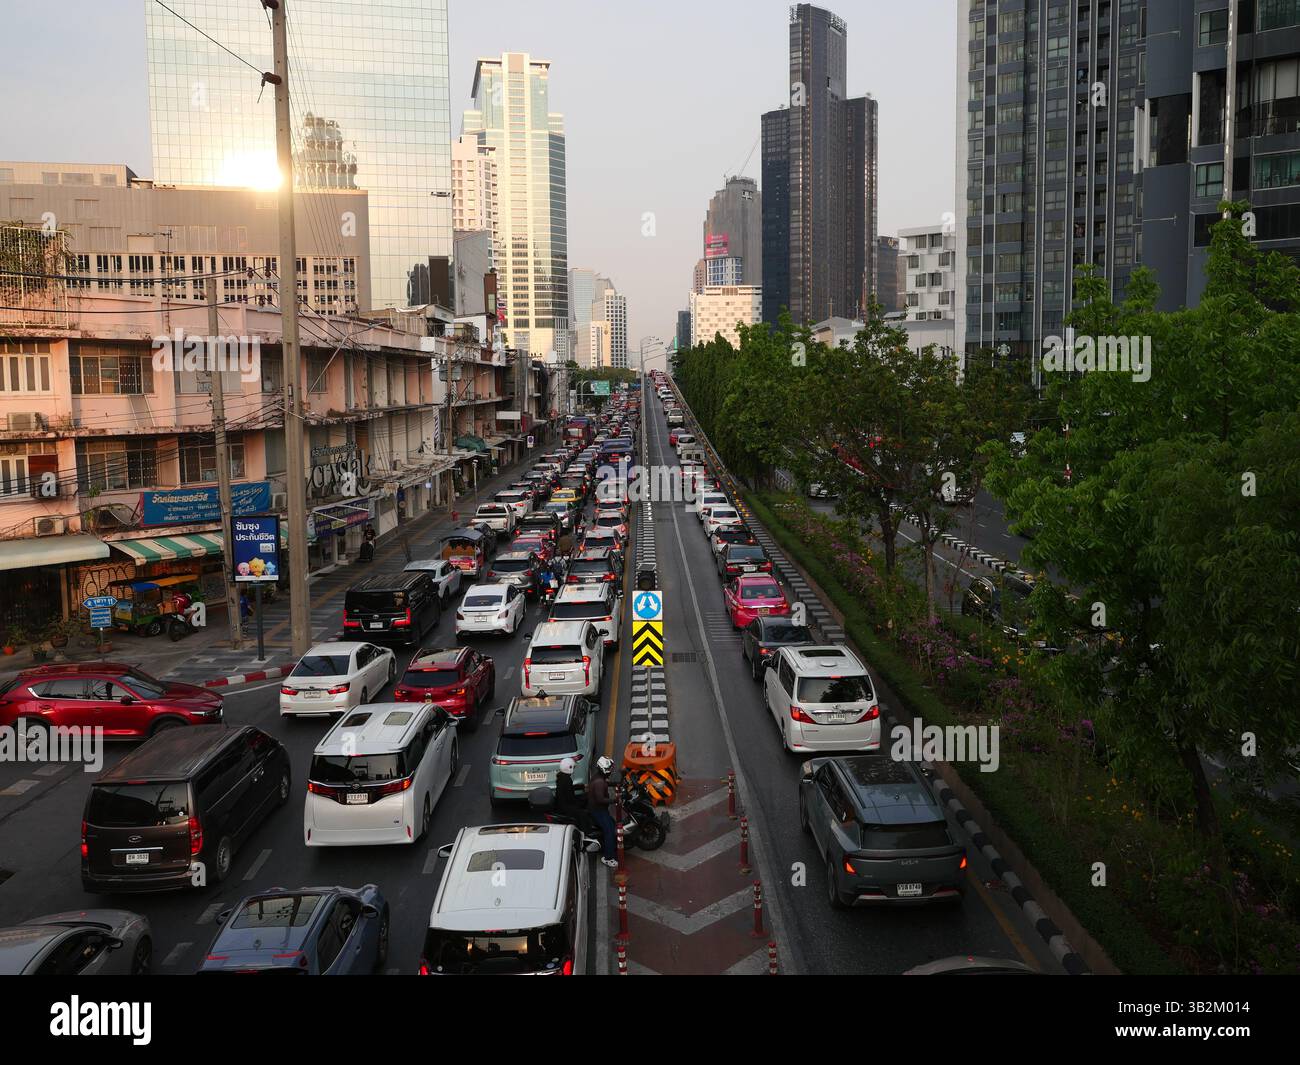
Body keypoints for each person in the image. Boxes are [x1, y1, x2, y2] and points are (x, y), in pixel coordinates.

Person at [587, 756, 619, 868]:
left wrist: (616, 783)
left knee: (612, 825)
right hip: (599, 811)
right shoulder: (600, 782)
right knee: (609, 831)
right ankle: (608, 857)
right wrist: (615, 800)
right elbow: (600, 799)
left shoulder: (597, 777)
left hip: (598, 810)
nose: (611, 771)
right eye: (610, 769)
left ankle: (610, 847)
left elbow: (606, 784)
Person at [554, 757, 582, 824]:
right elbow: (570, 798)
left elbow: (569, 788)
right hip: (565, 807)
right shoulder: (567, 780)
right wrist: (579, 801)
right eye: (573, 767)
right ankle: (586, 832)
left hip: (561, 804)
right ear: (569, 768)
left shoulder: (561, 777)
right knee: (583, 814)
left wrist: (582, 786)